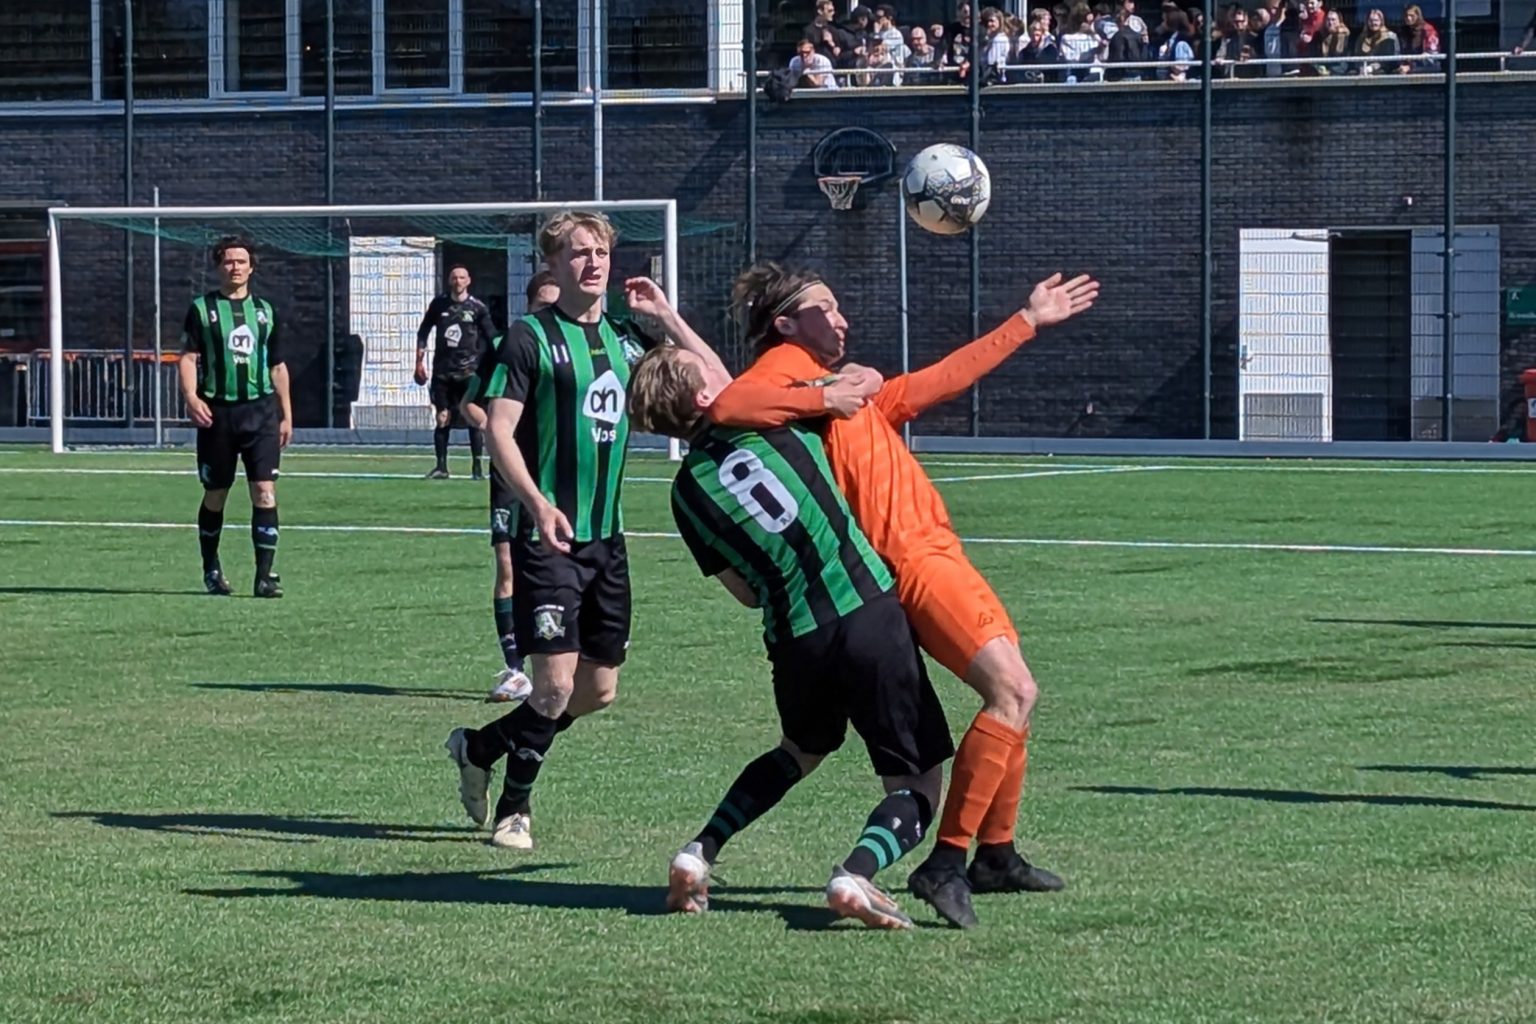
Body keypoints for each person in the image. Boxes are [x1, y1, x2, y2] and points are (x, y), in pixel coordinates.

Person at [707, 262, 1098, 928]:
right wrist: (824, 397)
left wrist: (1026, 321)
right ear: (785, 324)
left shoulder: (842, 386)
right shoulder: (790, 380)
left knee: (1013, 691)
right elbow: (727, 407)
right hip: (911, 562)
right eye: (826, 308)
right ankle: (945, 861)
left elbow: (935, 382)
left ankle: (996, 853)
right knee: (1013, 692)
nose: (842, 319)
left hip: (938, 552)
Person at [628, 343, 954, 930]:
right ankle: (856, 873)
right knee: (919, 777)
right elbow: (851, 392)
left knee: (799, 750)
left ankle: (699, 851)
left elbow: (745, 592)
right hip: (863, 607)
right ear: (706, 395)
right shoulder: (784, 424)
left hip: (793, 637)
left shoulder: (685, 493)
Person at [442, 211, 688, 850]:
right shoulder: (528, 338)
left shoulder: (629, 339)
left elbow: (710, 384)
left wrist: (670, 321)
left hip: (606, 540)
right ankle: (515, 810)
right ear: (551, 266)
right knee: (552, 686)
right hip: (546, 538)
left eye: (601, 250)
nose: (594, 261)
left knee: (596, 692)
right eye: (578, 252)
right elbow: (497, 429)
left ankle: (480, 747)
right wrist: (537, 502)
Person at [458, 270, 562, 705]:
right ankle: (515, 668)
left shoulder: (577, 348)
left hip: (558, 475)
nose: (551, 312)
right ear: (531, 305)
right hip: (510, 477)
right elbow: (469, 403)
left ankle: (564, 658)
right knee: (507, 564)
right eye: (544, 304)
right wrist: (500, 436)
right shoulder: (507, 346)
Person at [178, 235, 292, 599]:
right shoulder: (202, 309)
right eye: (228, 261)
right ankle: (211, 568)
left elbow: (277, 366)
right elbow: (187, 357)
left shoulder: (266, 312)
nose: (235, 267)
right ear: (218, 267)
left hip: (260, 414)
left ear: (252, 267)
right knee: (216, 495)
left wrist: (286, 415)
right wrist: (191, 396)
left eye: (241, 261)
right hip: (218, 415)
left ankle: (264, 576)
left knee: (264, 491)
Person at [415, 264, 499, 480]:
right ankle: (441, 467)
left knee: (473, 418)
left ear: (468, 280)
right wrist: (419, 361)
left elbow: (491, 335)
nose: (458, 281)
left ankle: (477, 468)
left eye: (462, 277)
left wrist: (499, 358)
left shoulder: (477, 308)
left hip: (469, 373)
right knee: (443, 418)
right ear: (449, 281)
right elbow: (423, 331)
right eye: (454, 278)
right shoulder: (439, 304)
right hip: (443, 372)